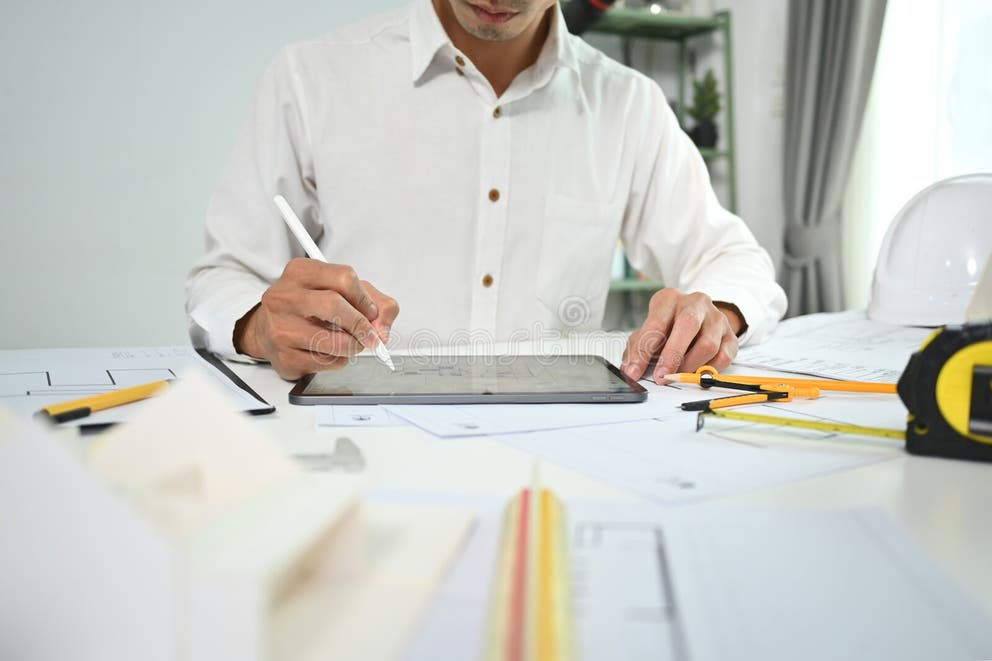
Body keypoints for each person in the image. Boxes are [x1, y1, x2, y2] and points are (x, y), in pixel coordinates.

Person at [186, 0, 787, 382]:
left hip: (562, 452)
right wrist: (259, 327)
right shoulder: (309, 77)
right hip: (361, 438)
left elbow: (735, 261)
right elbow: (224, 277)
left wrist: (718, 312)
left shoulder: (628, 105)